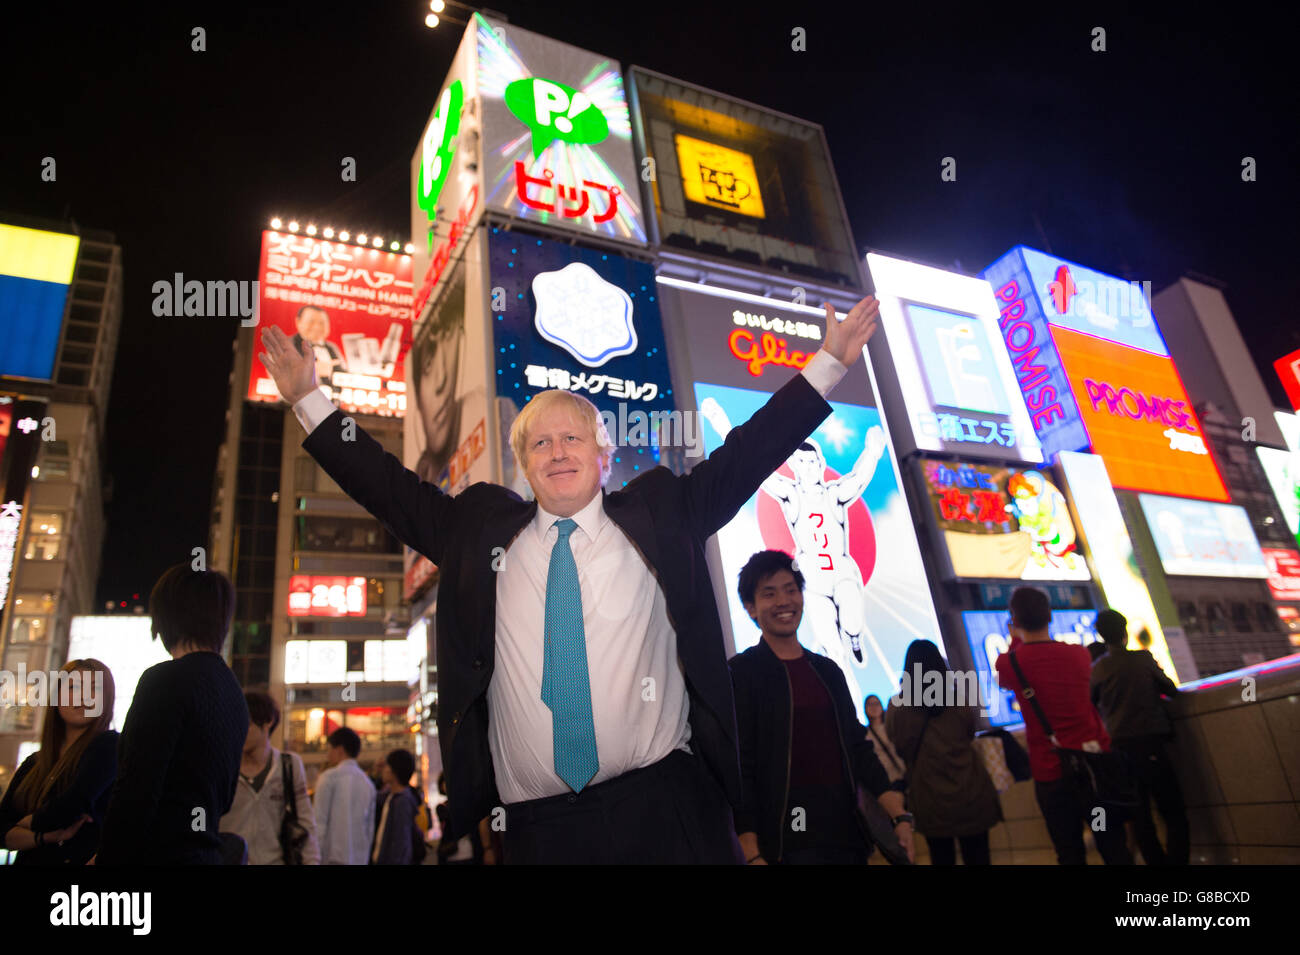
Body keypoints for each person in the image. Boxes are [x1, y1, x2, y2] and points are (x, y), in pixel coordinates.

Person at [259, 293, 880, 864]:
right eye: (540, 444)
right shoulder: (475, 533)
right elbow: (384, 483)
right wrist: (307, 399)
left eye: (572, 438)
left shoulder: (663, 513)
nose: (557, 452)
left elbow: (750, 452)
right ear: (523, 466)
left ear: (604, 457)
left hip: (667, 811)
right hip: (538, 833)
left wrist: (829, 362)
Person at [729, 550, 909, 865]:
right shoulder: (742, 673)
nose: (784, 601)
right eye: (769, 594)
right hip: (785, 842)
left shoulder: (827, 671)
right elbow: (741, 765)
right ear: (750, 607)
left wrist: (898, 815)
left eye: (791, 590)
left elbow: (857, 746)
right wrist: (749, 845)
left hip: (845, 833)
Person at [96, 565, 249, 865]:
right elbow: (225, 798)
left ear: (167, 617)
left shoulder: (164, 680)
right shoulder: (235, 694)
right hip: (206, 854)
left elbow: (134, 790)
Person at [995, 587, 1132, 865]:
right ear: (1050, 616)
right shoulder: (1079, 655)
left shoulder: (1010, 662)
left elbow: (1005, 679)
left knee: (1069, 852)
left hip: (1053, 777)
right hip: (1094, 773)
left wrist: (1014, 639)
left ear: (1015, 621)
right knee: (1110, 843)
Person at [886, 640, 1001, 865]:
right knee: (979, 857)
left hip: (930, 799)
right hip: (971, 792)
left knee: (941, 857)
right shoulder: (958, 700)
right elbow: (968, 735)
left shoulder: (898, 707)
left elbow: (899, 746)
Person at [1090, 609, 1189, 865]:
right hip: (1151, 743)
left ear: (1101, 636)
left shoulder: (1098, 669)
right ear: (1125, 632)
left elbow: (1091, 702)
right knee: (1172, 810)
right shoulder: (1142, 659)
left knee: (1141, 815)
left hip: (1120, 749)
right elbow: (1170, 690)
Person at [0, 659, 117, 865]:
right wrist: (45, 836)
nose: (84, 696)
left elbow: (73, 804)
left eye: (94, 688)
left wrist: (26, 823)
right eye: (73, 687)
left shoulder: (109, 745)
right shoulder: (33, 762)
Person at [220, 691, 320, 865]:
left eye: (247, 725)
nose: (239, 731)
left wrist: (312, 861)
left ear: (268, 723)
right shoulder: (223, 766)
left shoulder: (288, 765)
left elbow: (305, 822)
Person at [314, 727, 377, 865]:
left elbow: (319, 822)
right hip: (359, 858)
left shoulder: (329, 778)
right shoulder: (368, 784)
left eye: (329, 749)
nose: (328, 755)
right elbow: (369, 829)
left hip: (331, 858)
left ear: (340, 750)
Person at [372, 749, 419, 865]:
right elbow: (372, 794)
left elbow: (401, 843)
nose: (383, 769)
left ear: (393, 770)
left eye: (386, 765)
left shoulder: (402, 802)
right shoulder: (392, 796)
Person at [434, 771, 482, 865]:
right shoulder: (442, 808)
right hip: (450, 854)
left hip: (469, 853)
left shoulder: (469, 805)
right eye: (445, 782)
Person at [291, 305, 346, 385]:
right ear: (298, 322)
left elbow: (344, 374)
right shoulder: (284, 345)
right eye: (311, 322)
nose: (317, 327)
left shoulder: (333, 347)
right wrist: (313, 371)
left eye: (322, 323)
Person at [863, 695, 906, 784]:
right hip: (888, 782)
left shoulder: (893, 726)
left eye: (876, 704)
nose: (874, 707)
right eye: (870, 704)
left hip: (905, 773)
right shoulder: (865, 735)